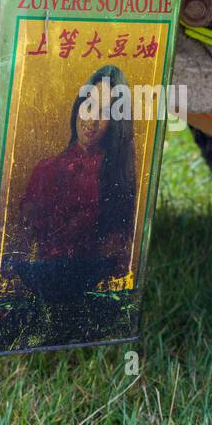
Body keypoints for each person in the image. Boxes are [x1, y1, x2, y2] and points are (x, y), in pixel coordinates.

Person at [13, 64, 137, 302]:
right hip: (41, 284)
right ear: (78, 107)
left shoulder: (118, 179)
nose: (92, 120)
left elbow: (117, 252)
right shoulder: (45, 170)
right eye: (89, 106)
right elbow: (26, 239)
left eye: (105, 112)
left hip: (91, 287)